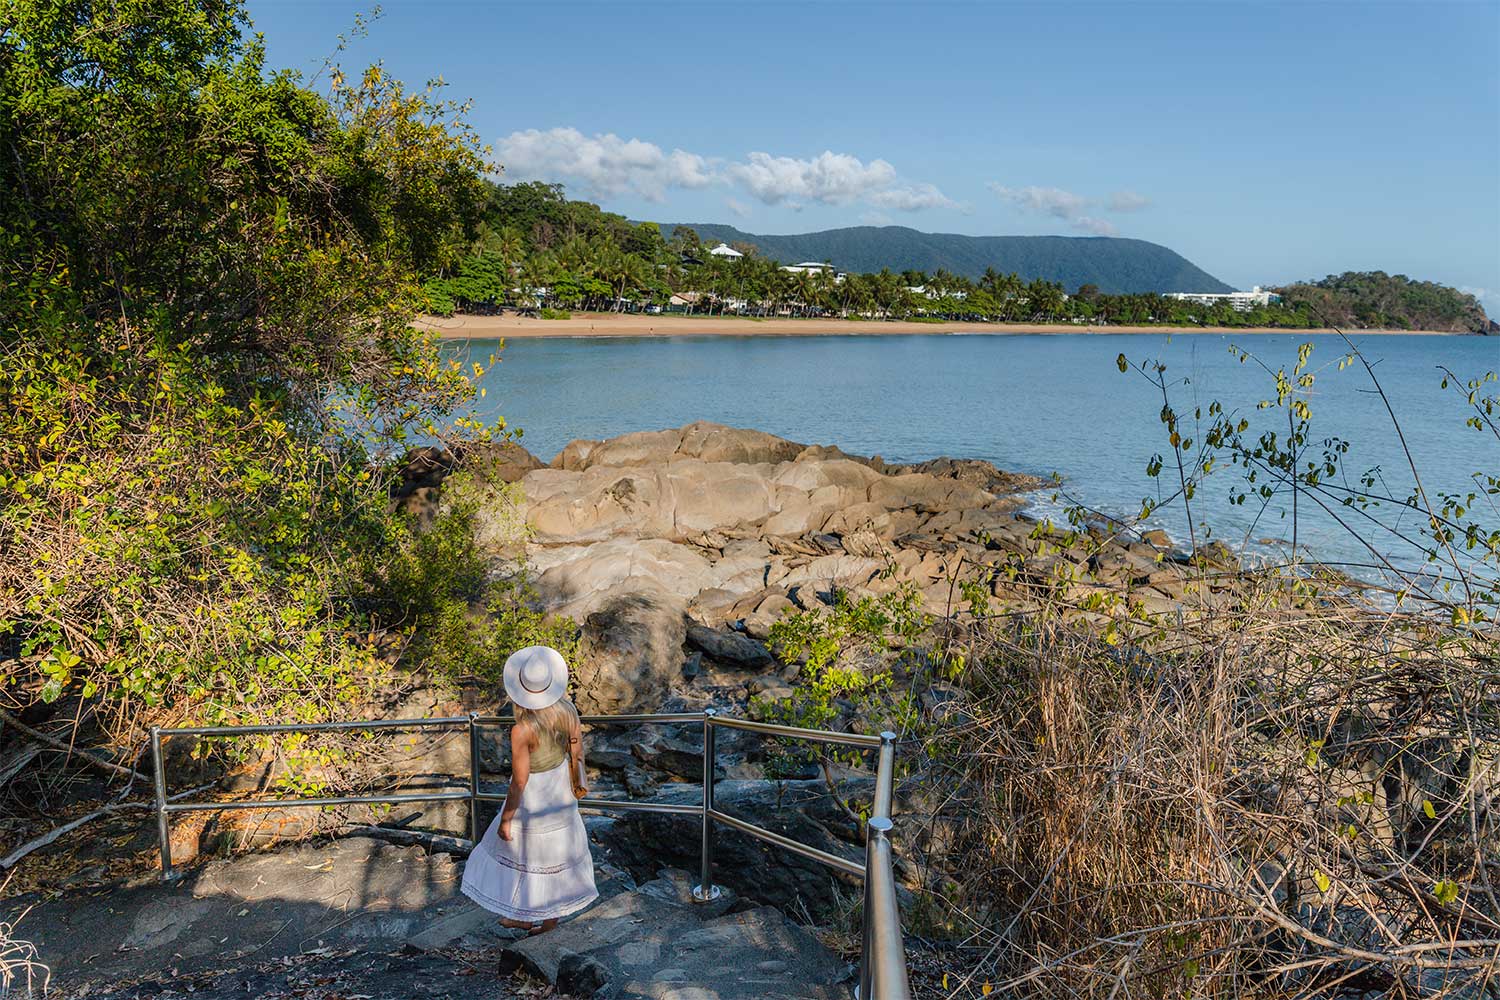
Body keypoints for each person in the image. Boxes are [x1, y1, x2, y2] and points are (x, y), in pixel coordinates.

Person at [460, 646, 598, 933]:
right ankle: (543, 920)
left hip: (535, 793)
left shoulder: (522, 729)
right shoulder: (567, 709)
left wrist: (507, 818)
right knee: (554, 852)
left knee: (524, 853)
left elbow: (520, 780)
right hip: (561, 785)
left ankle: (525, 916)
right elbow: (578, 751)